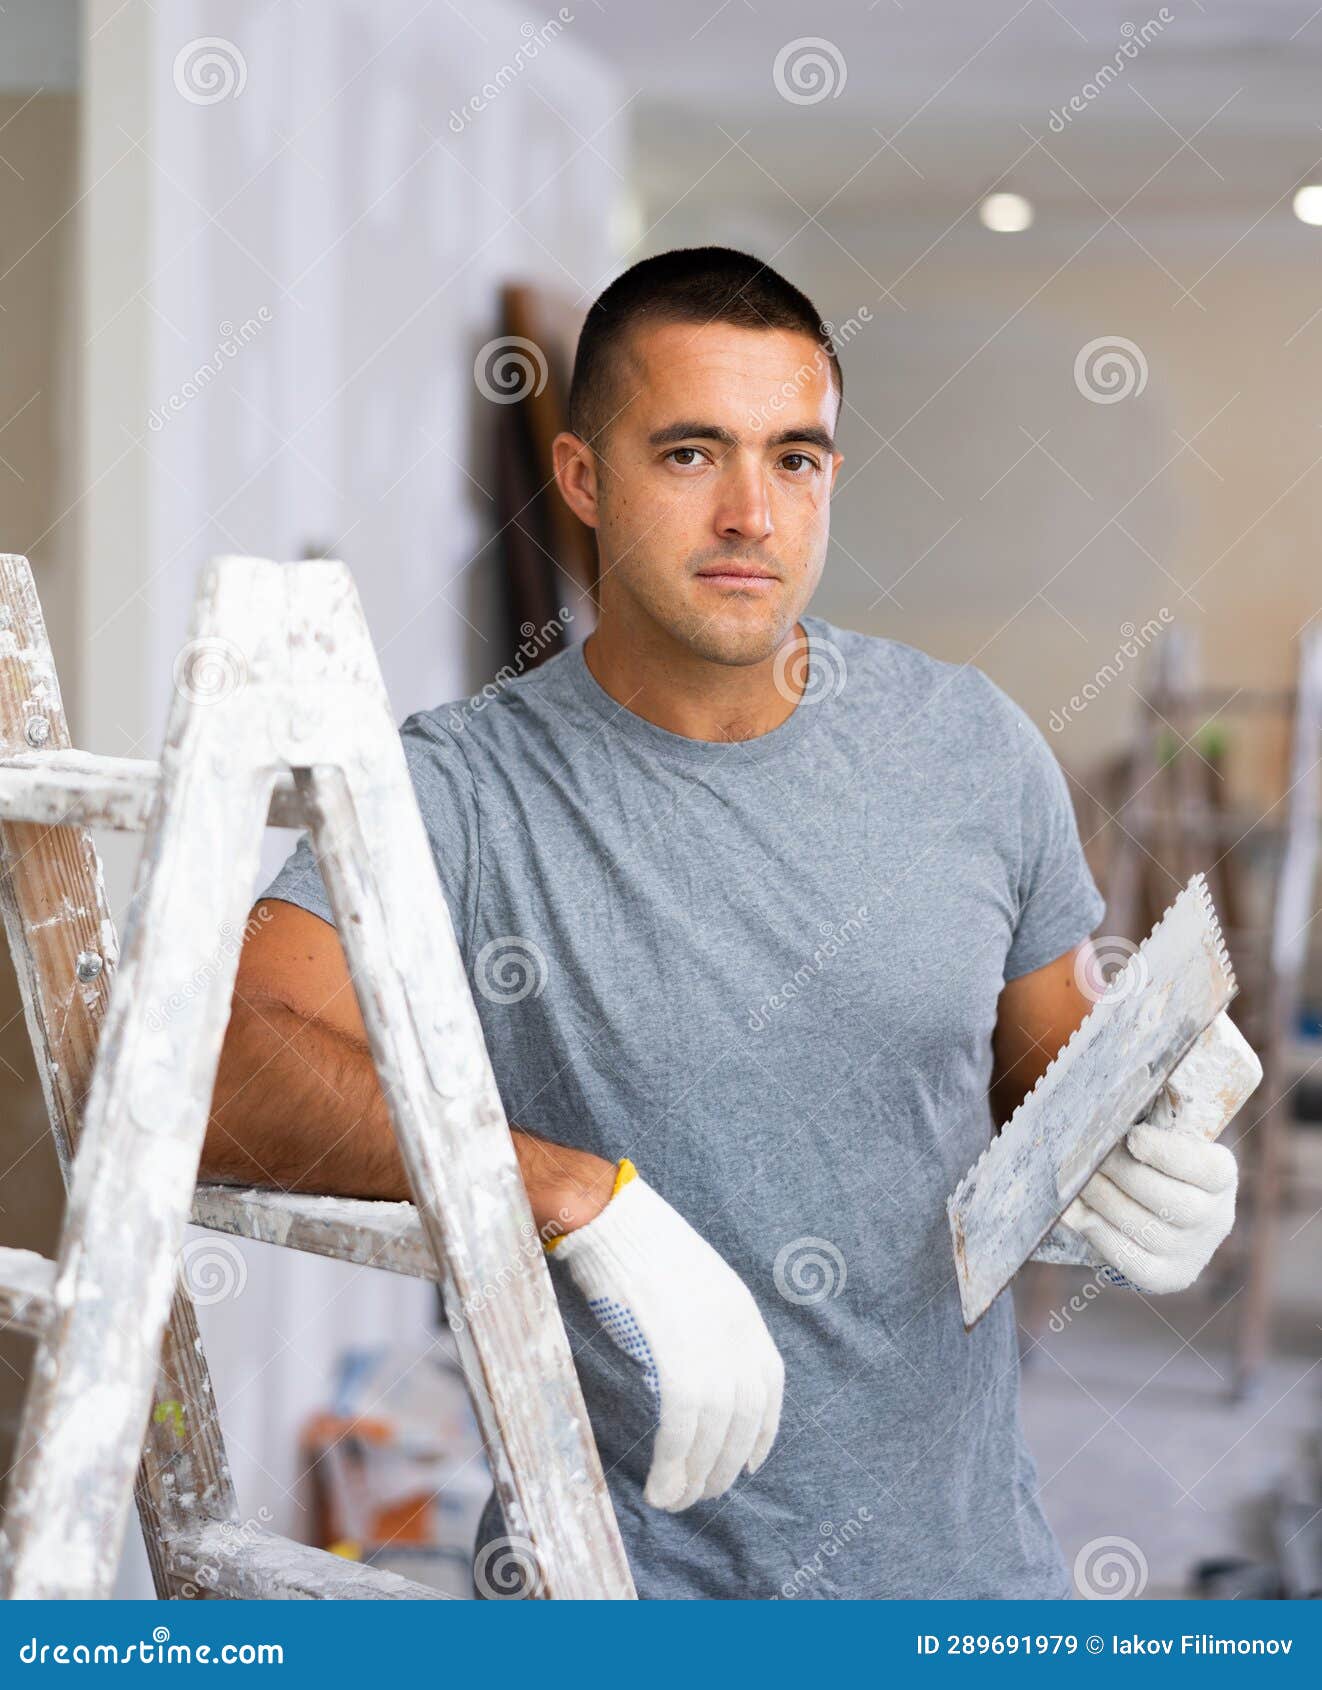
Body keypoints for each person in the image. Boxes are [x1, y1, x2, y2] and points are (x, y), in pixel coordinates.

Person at [204, 246, 1237, 1600]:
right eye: (690, 454)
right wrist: (576, 1196)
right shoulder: (455, 788)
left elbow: (1042, 1071)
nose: (750, 510)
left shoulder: (970, 746)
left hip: (975, 1582)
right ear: (581, 479)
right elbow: (216, 1068)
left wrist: (1141, 1164)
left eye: (793, 458)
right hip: (616, 1597)